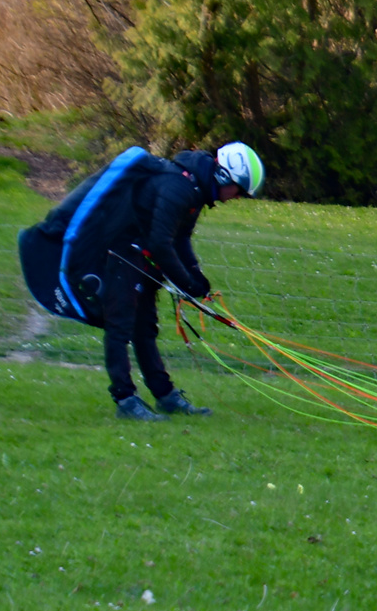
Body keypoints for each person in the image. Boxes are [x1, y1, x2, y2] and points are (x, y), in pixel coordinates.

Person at [18, 142, 266, 420]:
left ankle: (165, 396)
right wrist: (186, 283)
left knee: (145, 328)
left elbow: (180, 238)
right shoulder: (179, 187)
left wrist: (197, 278)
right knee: (120, 326)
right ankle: (125, 400)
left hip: (140, 258)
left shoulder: (194, 191)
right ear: (223, 177)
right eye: (238, 190)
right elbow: (161, 244)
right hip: (121, 253)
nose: (236, 197)